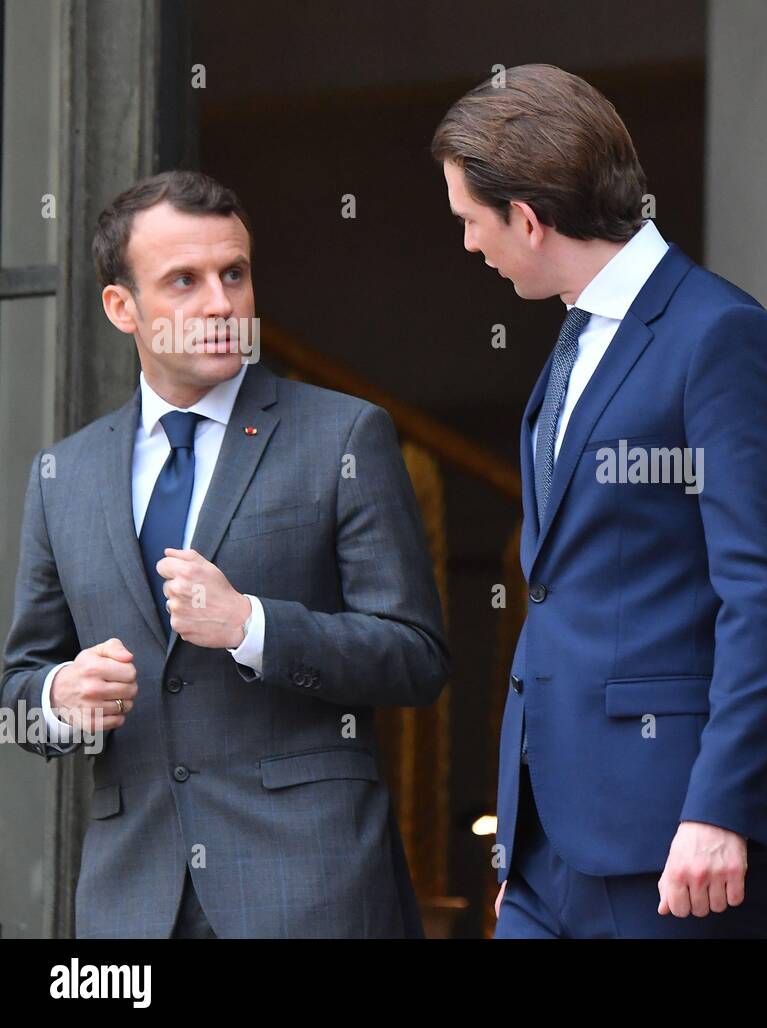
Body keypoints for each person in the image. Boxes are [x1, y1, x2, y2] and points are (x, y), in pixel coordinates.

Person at [1, 170, 449, 938]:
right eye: (183, 280)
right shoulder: (61, 476)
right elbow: (19, 691)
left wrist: (252, 625)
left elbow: (416, 658)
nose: (220, 303)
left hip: (311, 894)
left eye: (233, 274)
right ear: (122, 308)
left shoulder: (343, 437)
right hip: (130, 907)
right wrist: (58, 700)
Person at [432, 64, 767, 938]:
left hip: (675, 849)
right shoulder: (578, 333)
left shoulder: (720, 338)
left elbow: (763, 598)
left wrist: (719, 808)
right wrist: (518, 843)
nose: (465, 245)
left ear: (527, 220)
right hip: (545, 849)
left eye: (469, 220)